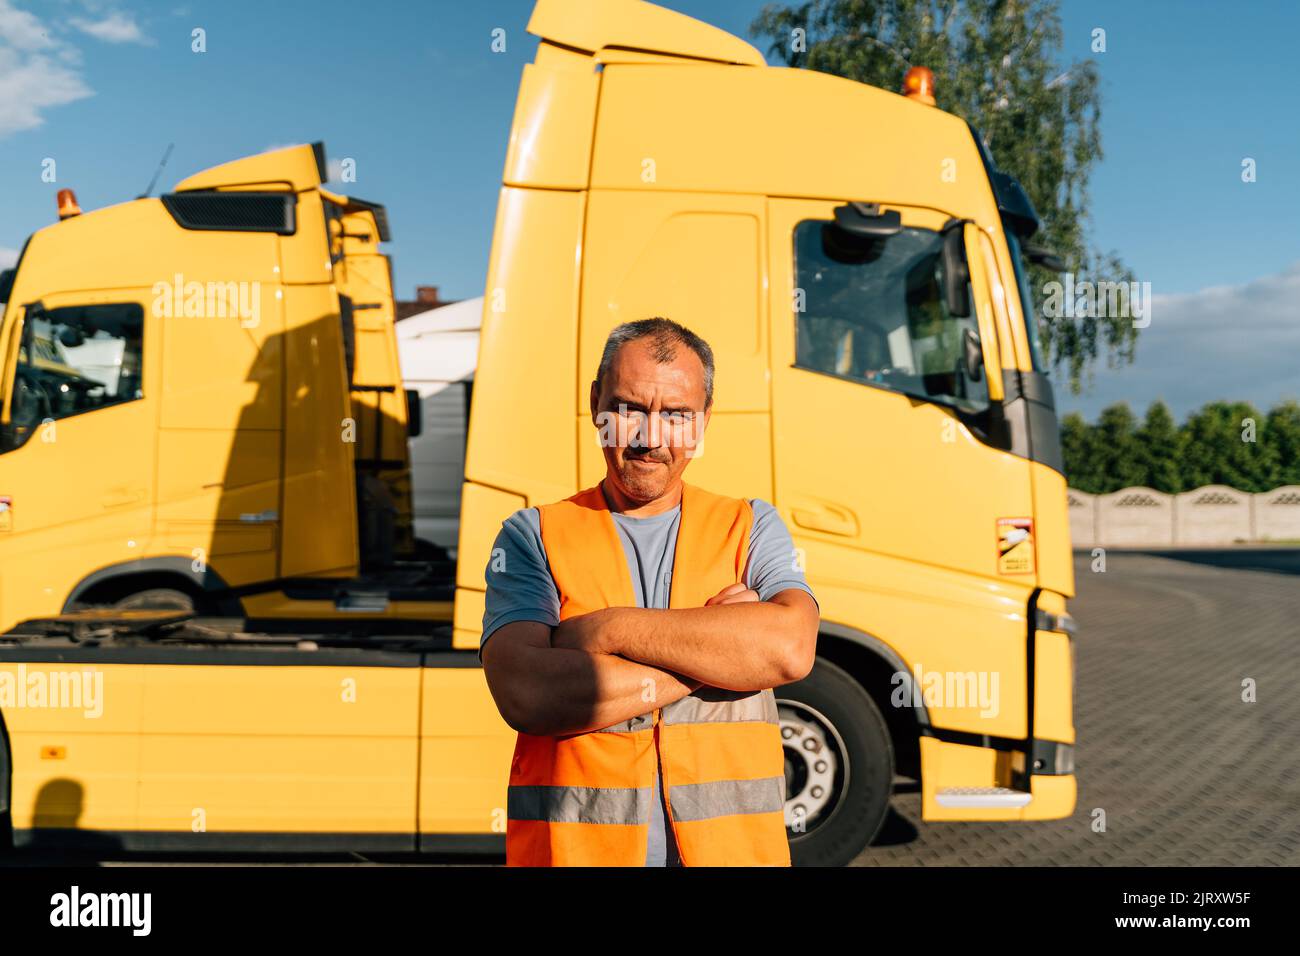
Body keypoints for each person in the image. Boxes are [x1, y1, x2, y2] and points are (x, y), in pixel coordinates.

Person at [480, 317, 819, 866]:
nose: (649, 437)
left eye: (677, 415)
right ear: (596, 405)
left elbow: (789, 649)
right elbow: (526, 693)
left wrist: (607, 631)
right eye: (630, 408)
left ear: (704, 421)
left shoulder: (750, 525)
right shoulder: (533, 534)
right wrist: (722, 653)